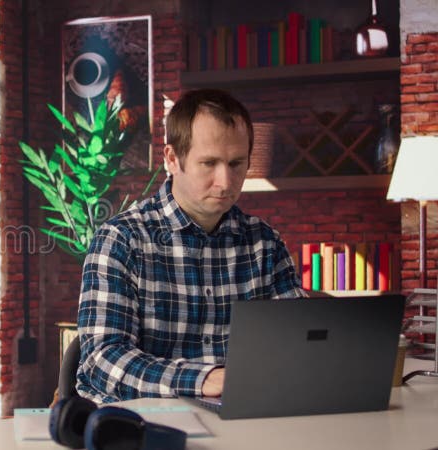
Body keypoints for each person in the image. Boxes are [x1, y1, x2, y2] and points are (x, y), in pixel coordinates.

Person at [76, 88, 306, 404]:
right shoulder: (121, 240)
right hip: (147, 423)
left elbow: (300, 341)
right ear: (172, 159)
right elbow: (102, 360)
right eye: (209, 163)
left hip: (245, 419)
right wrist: (203, 379)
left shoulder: (265, 244)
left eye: (237, 163)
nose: (226, 181)